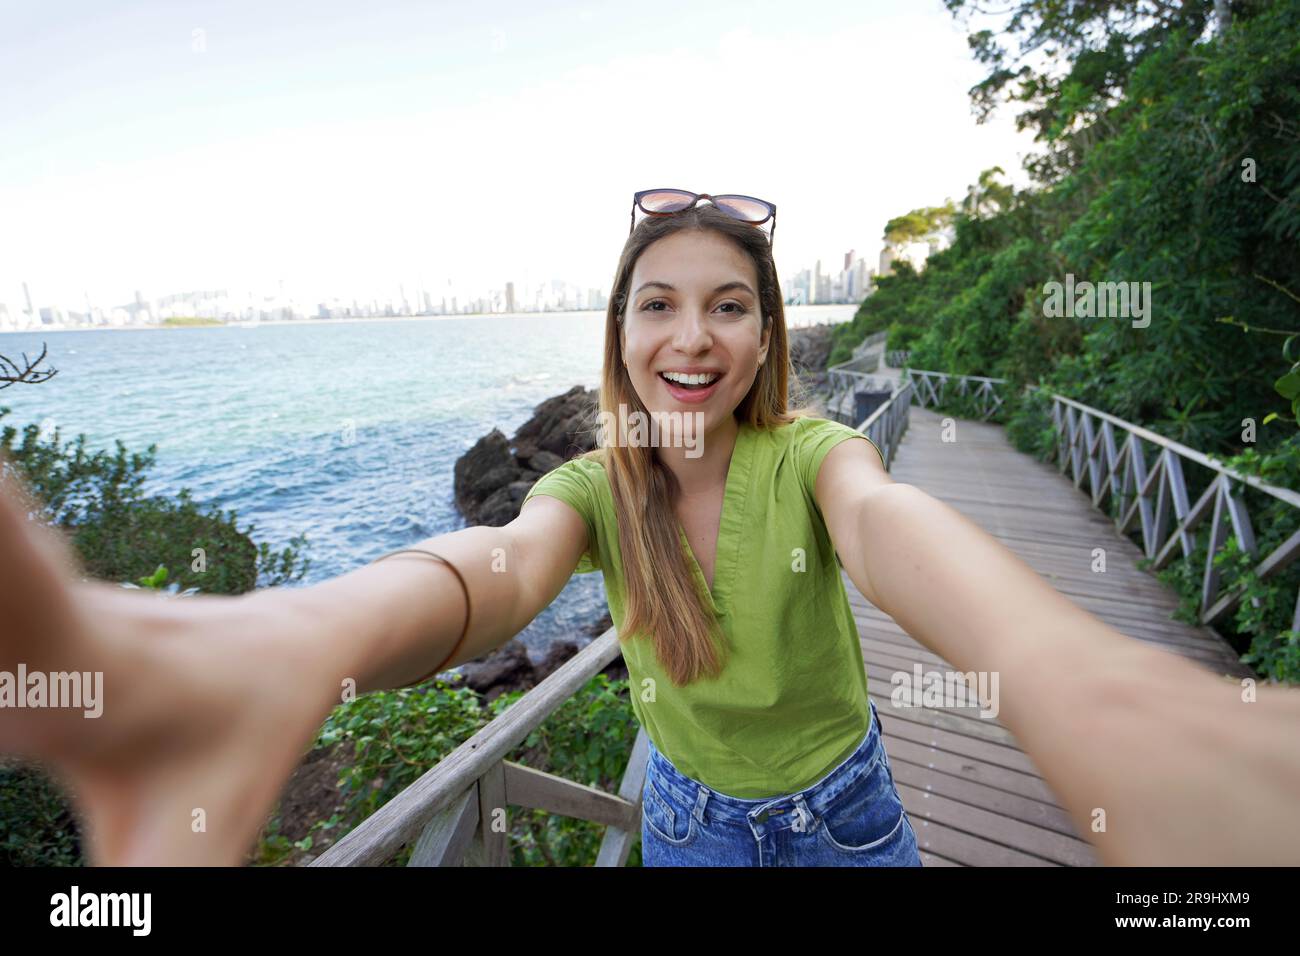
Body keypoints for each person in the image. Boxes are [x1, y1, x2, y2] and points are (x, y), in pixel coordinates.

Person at [1, 193, 1298, 867]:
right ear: (618, 337)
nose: (693, 336)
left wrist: (1090, 691)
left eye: (729, 306)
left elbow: (894, 528)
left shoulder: (815, 457)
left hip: (849, 810)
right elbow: (492, 574)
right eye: (659, 305)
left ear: (770, 336)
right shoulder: (591, 486)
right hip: (684, 823)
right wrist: (280, 642)